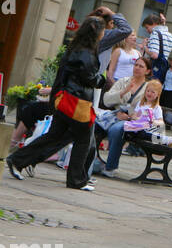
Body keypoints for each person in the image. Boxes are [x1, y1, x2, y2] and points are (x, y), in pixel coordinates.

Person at [7, 16, 108, 191]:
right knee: (83, 140)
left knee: (54, 136)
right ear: (96, 32)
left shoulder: (75, 47)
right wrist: (100, 80)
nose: (104, 33)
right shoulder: (87, 53)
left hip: (65, 99)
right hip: (78, 102)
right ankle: (76, 180)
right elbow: (89, 78)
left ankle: (17, 160)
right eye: (103, 30)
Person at [95, 79, 164, 178]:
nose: (149, 93)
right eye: (148, 91)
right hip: (135, 128)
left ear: (157, 95)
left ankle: (110, 167)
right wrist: (133, 117)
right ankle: (97, 163)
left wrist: (152, 121)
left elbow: (160, 122)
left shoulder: (156, 108)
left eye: (153, 92)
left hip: (145, 131)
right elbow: (134, 114)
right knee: (102, 126)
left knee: (117, 130)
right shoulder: (141, 104)